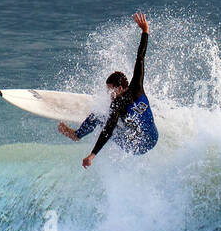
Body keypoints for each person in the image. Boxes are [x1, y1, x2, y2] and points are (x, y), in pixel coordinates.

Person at [58, 12, 159, 167]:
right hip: (154, 139)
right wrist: (145, 31)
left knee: (100, 117)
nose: (108, 94)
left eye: (110, 90)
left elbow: (108, 131)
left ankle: (76, 135)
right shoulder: (137, 87)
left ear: (120, 88)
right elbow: (140, 58)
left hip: (137, 147)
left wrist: (92, 156)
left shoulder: (118, 104)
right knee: (128, 121)